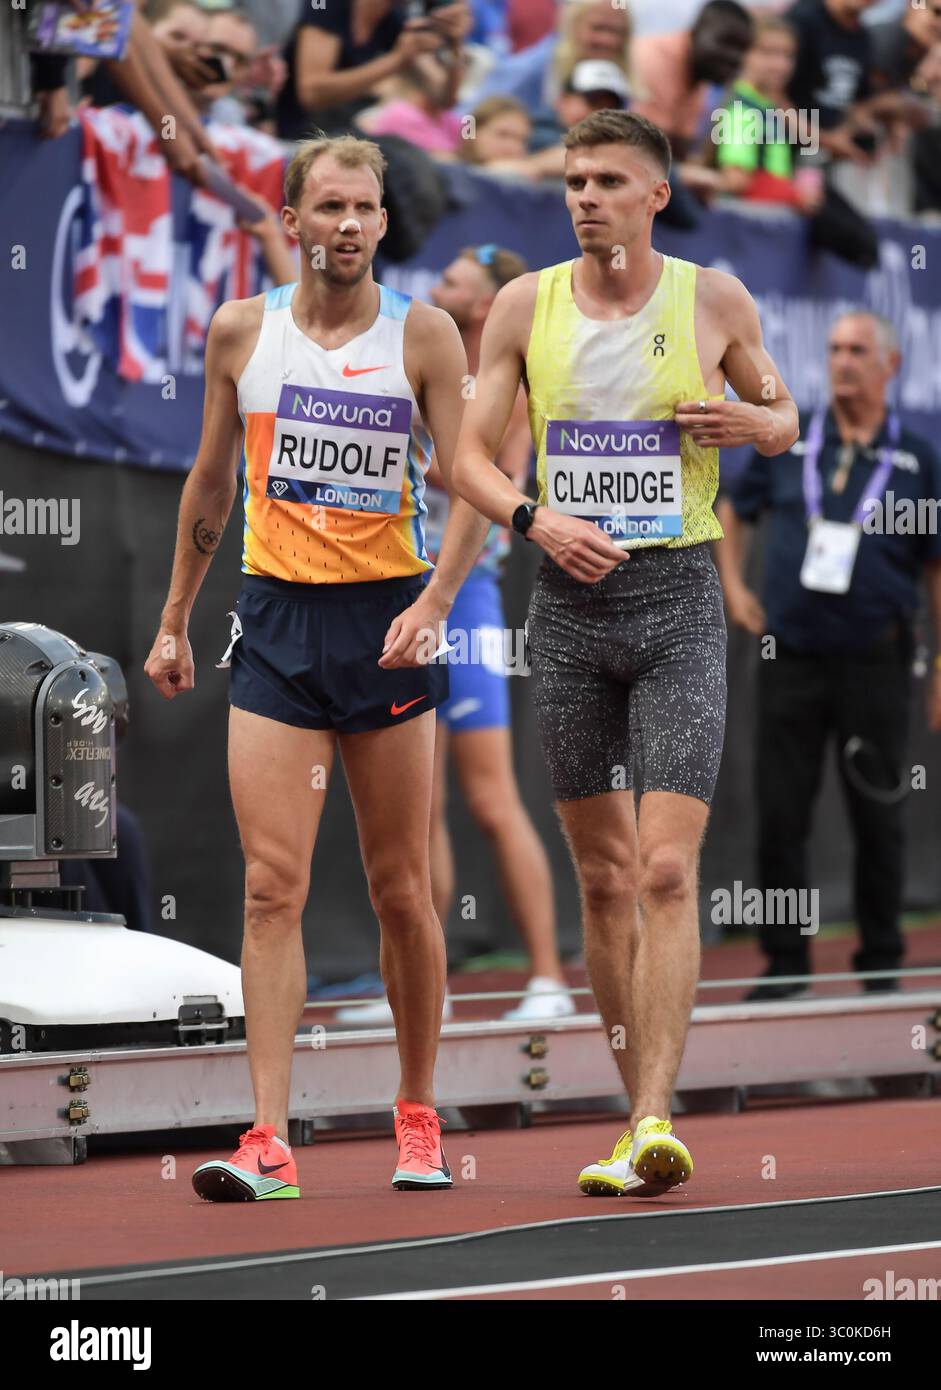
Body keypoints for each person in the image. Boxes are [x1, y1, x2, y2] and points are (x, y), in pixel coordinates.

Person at [452, 108, 798, 1196]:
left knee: (660, 866)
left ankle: (654, 1113)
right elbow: (464, 457)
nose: (584, 196)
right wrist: (532, 519)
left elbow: (782, 414)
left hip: (676, 603)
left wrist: (749, 424)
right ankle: (626, 1111)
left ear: (656, 195)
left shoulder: (713, 297)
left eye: (607, 179)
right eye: (571, 180)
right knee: (600, 877)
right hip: (563, 609)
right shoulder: (523, 304)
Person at [145, 133, 493, 1199]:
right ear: (289, 219)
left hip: (385, 622)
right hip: (278, 628)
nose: (347, 225)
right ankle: (266, 1135)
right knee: (269, 887)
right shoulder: (240, 331)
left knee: (399, 887)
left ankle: (418, 1112)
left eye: (365, 209)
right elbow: (210, 486)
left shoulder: (423, 334)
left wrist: (435, 602)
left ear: (385, 224)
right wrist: (172, 622)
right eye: (327, 207)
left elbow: (474, 478)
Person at [338, 244, 574, 1028]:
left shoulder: (508, 377)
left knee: (490, 795)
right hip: (398, 589)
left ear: (484, 302)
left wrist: (407, 448)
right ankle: (419, 988)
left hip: (465, 597)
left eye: (453, 283)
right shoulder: (415, 356)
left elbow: (492, 479)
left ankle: (546, 977)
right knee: (418, 806)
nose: (435, 289)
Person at [715, 311, 941, 1002]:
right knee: (781, 809)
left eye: (856, 351)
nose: (841, 362)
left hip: (877, 658)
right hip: (792, 655)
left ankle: (879, 958)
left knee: (878, 811)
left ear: (888, 366)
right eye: (834, 349)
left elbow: (935, 569)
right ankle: (785, 962)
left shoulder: (915, 459)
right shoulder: (793, 436)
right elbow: (733, 505)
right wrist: (733, 585)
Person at [276, 0, 470, 141]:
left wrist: (455, 44)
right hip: (301, 134)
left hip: (348, 134)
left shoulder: (392, 20)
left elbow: (444, 98)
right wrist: (395, 61)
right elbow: (311, 94)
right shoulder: (325, 5)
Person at [467, 0, 632, 152]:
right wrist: (466, 153)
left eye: (618, 32)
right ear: (572, 25)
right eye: (598, 28)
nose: (608, 40)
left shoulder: (622, 81)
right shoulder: (531, 70)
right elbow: (470, 114)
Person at [713, 15, 825, 213]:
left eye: (788, 55)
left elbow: (809, 141)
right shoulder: (742, 108)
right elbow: (736, 180)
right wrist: (795, 195)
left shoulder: (769, 104)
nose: (780, 65)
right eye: (768, 53)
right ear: (744, 53)